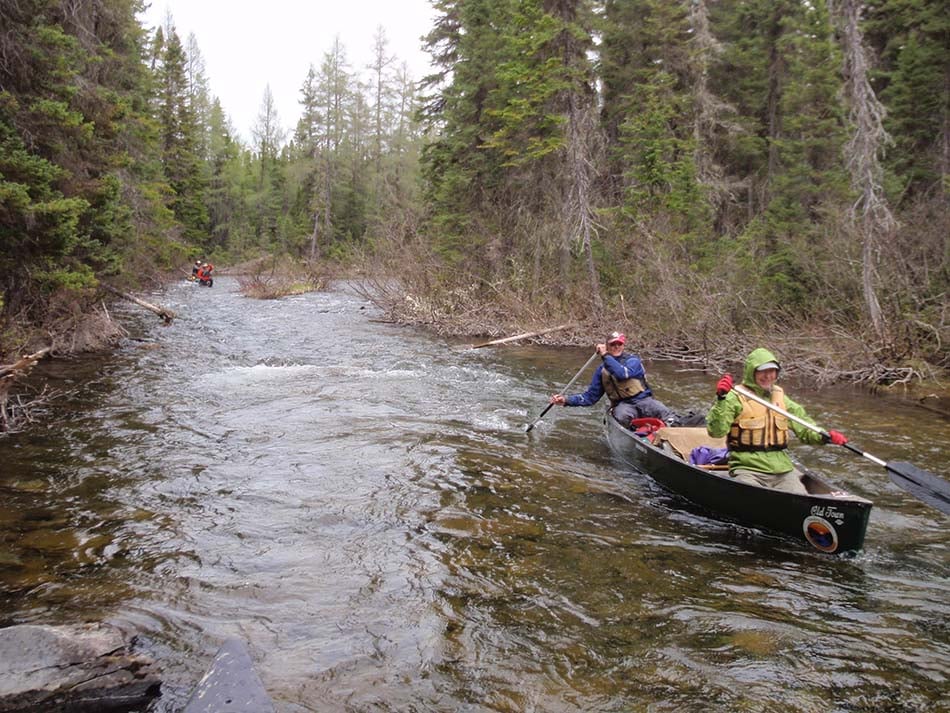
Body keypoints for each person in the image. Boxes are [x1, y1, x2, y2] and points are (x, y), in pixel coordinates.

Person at [706, 347, 848, 495]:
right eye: (763, 371)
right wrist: (721, 398)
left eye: (772, 371)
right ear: (751, 372)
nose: (768, 376)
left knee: (800, 497)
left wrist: (825, 437)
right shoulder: (733, 397)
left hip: (782, 470)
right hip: (748, 469)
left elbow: (805, 429)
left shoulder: (780, 397)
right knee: (752, 495)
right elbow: (716, 432)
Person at [550, 331, 678, 427]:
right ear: (607, 346)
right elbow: (590, 398)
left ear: (623, 346)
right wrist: (566, 400)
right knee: (621, 417)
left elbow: (622, 374)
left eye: (619, 344)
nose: (616, 347)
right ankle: (636, 433)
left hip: (644, 401)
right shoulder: (602, 370)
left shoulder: (633, 361)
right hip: (623, 406)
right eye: (612, 344)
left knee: (665, 413)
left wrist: (605, 355)